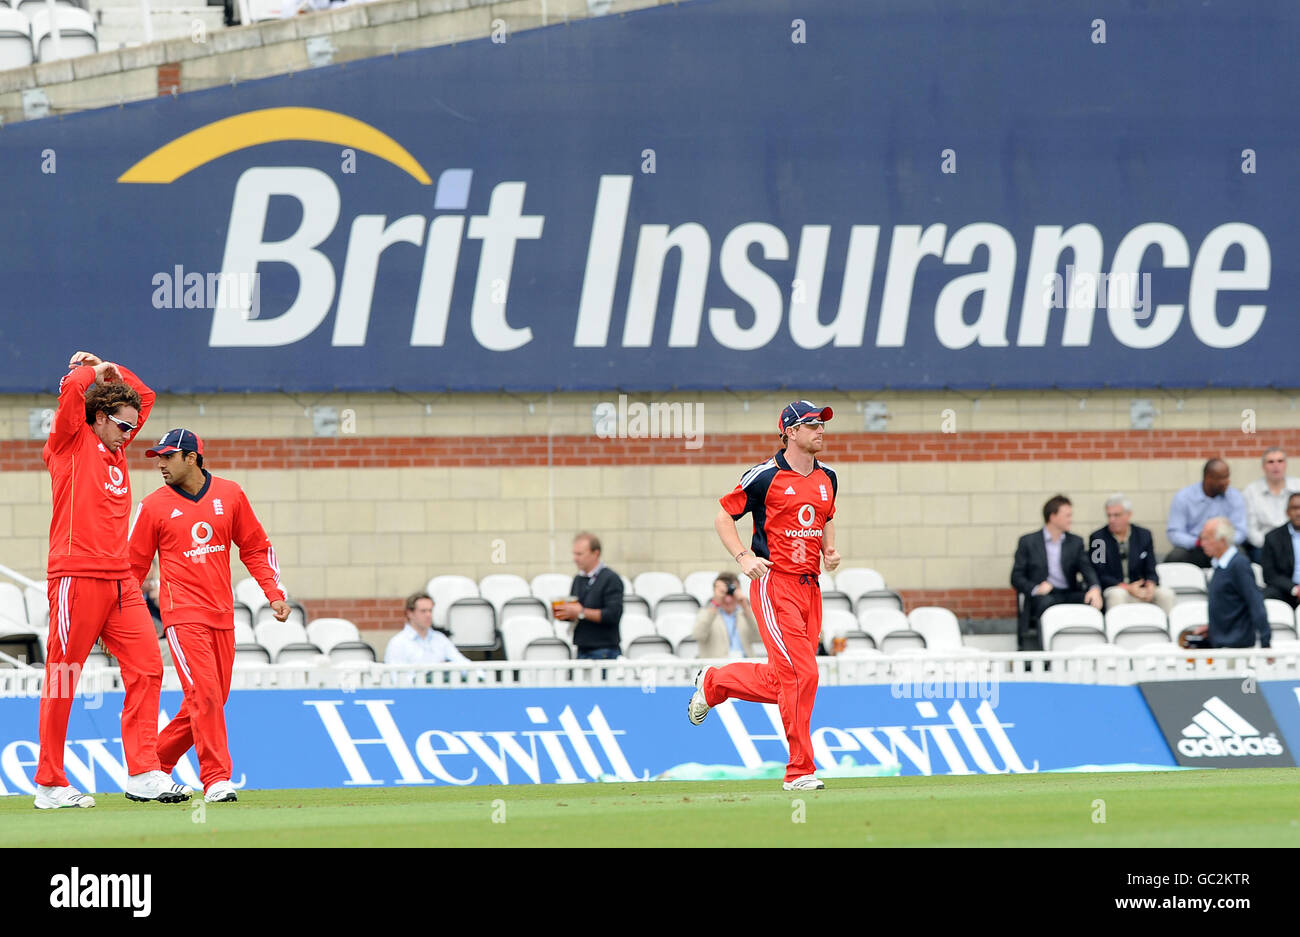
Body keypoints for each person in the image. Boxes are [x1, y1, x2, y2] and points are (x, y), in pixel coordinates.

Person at [35, 351, 191, 809]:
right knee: (63, 676)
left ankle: (144, 772)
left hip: (120, 580)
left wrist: (113, 369)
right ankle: (49, 783)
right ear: (99, 417)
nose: (130, 434)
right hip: (75, 576)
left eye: (132, 427)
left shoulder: (114, 443)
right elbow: (70, 392)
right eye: (123, 426)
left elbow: (145, 396)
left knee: (147, 667)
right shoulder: (69, 443)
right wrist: (90, 372)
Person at [129, 429, 289, 805]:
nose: (160, 465)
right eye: (158, 458)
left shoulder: (230, 494)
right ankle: (216, 779)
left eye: (167, 457)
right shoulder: (152, 506)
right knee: (204, 694)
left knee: (212, 699)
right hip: (181, 615)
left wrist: (274, 593)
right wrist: (120, 618)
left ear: (191, 458)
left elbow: (255, 547)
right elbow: (132, 568)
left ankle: (153, 765)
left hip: (222, 614)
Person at [687, 400, 841, 792]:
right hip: (776, 584)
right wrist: (743, 556)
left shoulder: (828, 477)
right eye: (811, 424)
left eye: (821, 424)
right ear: (790, 431)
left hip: (811, 587)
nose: (820, 430)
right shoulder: (765, 476)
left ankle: (716, 683)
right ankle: (798, 771)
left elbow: (826, 517)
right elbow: (724, 515)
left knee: (786, 679)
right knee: (803, 674)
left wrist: (829, 551)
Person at [1010, 494, 1102, 652]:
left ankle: (1089, 650)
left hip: (1069, 592)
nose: (1070, 519)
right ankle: (1047, 653)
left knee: (1092, 601)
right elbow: (1016, 577)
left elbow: (1087, 568)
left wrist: (1094, 588)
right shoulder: (1028, 542)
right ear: (1053, 516)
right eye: (1067, 515)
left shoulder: (1076, 542)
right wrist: (1036, 588)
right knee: (1045, 603)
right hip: (1044, 595)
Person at [1088, 495, 1175, 615]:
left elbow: (1151, 567)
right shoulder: (1098, 539)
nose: (1112, 519)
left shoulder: (1144, 535)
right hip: (1115, 587)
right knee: (1117, 594)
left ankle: (1168, 630)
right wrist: (1126, 587)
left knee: (1166, 594)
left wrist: (1150, 585)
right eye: (1109, 515)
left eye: (1116, 515)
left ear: (1128, 515)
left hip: (1140, 587)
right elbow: (1099, 573)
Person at [1192, 517, 1269, 649]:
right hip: (1223, 645)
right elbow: (1230, 607)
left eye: (1206, 538)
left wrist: (1265, 641)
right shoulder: (1221, 566)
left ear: (1221, 540)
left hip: (1236, 648)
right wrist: (1212, 629)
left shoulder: (1238, 565)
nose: (1202, 543)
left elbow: (1255, 601)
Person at [553, 532, 624, 660]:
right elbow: (577, 611)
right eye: (574, 554)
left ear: (595, 553)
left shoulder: (611, 579)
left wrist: (581, 612)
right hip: (582, 649)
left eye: (579, 554)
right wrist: (566, 613)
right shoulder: (578, 579)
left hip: (604, 651)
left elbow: (613, 614)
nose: (575, 558)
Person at [1165, 459, 1246, 567]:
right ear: (1208, 478)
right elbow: (1174, 533)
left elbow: (1241, 531)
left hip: (1223, 547)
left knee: (1240, 554)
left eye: (1227, 476)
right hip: (1194, 547)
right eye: (1222, 478)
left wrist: (1220, 543)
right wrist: (1199, 542)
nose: (1227, 481)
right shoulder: (1184, 497)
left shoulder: (1235, 497)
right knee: (1175, 557)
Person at [385, 592, 474, 665]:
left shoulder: (440, 639)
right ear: (410, 613)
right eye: (423, 611)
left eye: (430, 611)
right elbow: (396, 678)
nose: (428, 615)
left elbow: (463, 663)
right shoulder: (398, 643)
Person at [1243, 448, 1300, 563]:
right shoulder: (1251, 491)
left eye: (1280, 461)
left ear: (1285, 465)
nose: (1276, 466)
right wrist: (1272, 545)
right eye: (1271, 462)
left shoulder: (1297, 486)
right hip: (1264, 546)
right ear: (1263, 466)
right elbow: (1250, 529)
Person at [693, 572, 760, 659]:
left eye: (731, 593)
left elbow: (760, 638)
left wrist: (745, 606)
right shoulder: (706, 613)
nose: (728, 599)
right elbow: (698, 635)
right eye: (723, 593)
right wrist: (715, 603)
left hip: (745, 667)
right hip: (719, 668)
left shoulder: (745, 614)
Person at [1261, 493, 1300, 609]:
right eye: (1294, 508)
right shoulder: (1273, 537)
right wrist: (1295, 589)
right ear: (1287, 512)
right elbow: (1269, 575)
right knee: (1266, 595)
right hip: (1287, 591)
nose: (1298, 513)